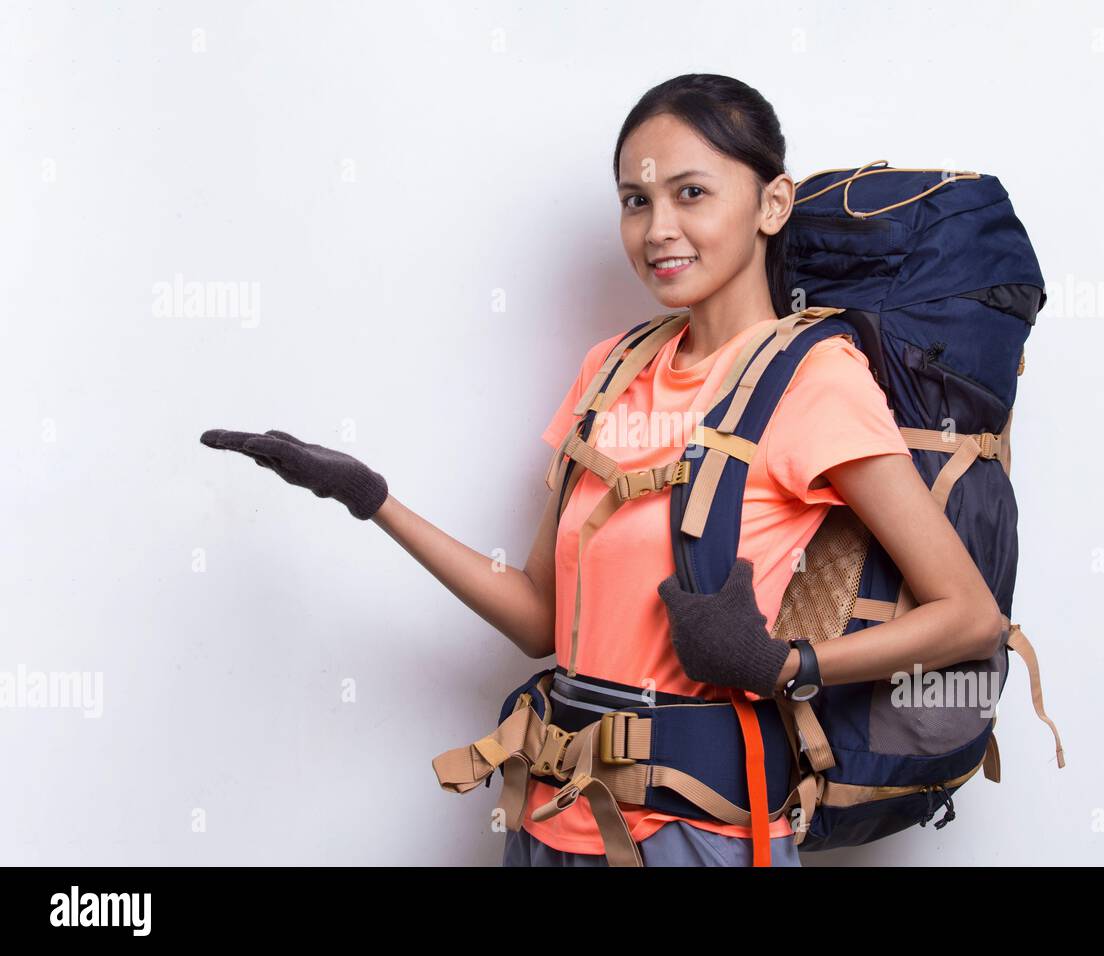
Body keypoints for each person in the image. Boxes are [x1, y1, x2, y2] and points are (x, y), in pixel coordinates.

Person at [200, 73, 1006, 867]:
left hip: (698, 834)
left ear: (771, 204)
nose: (658, 228)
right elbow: (538, 620)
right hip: (549, 819)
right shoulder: (612, 368)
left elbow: (968, 615)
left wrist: (787, 666)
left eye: (692, 194)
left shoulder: (814, 379)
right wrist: (371, 499)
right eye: (636, 200)